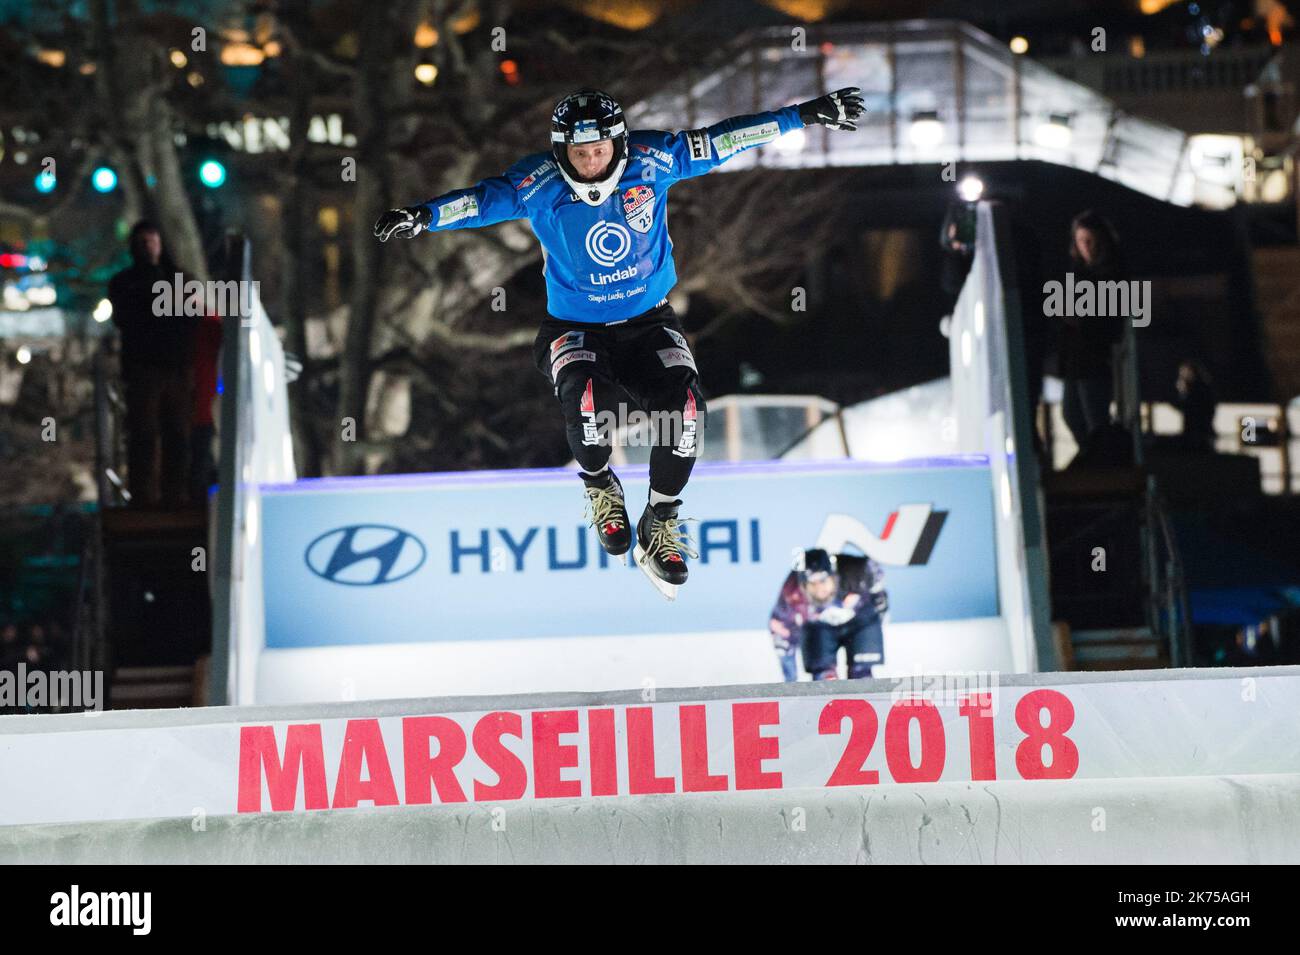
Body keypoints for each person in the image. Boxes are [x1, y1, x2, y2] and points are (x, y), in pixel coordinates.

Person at [375, 87, 864, 590]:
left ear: (619, 145)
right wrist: (423, 216)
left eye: (599, 151)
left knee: (687, 410)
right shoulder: (539, 181)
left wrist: (803, 115)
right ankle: (600, 486)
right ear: (561, 152)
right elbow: (482, 201)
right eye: (578, 154)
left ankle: (661, 520)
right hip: (573, 329)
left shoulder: (655, 159)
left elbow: (728, 139)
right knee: (589, 401)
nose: (589, 163)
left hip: (649, 324)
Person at [107, 222, 196, 507]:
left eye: (152, 241)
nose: (147, 247)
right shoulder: (124, 283)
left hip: (175, 366)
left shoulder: (178, 280)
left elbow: (191, 318)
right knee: (143, 434)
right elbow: (126, 317)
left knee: (177, 434)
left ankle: (175, 494)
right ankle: (144, 496)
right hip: (144, 367)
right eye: (142, 242)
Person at [1058, 210, 1126, 451]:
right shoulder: (1077, 273)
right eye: (1081, 241)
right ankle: (1092, 460)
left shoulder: (1113, 273)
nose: (1086, 246)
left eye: (1090, 240)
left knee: (1095, 420)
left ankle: (1100, 464)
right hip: (1076, 358)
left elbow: (1114, 319)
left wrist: (1083, 319)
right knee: (1071, 414)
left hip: (1097, 359)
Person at [768, 548, 887, 681]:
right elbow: (782, 634)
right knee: (823, 680)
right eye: (812, 583)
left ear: (832, 575)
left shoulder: (856, 571)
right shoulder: (792, 593)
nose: (819, 589)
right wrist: (790, 682)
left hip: (860, 621)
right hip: (819, 627)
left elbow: (879, 592)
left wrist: (880, 615)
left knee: (862, 676)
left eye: (823, 580)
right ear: (803, 584)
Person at [1174, 359, 1216, 453]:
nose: (1181, 376)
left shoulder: (1199, 391)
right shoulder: (1203, 388)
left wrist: (1183, 393)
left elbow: (1189, 408)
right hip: (1198, 433)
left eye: (1184, 373)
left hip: (1199, 434)